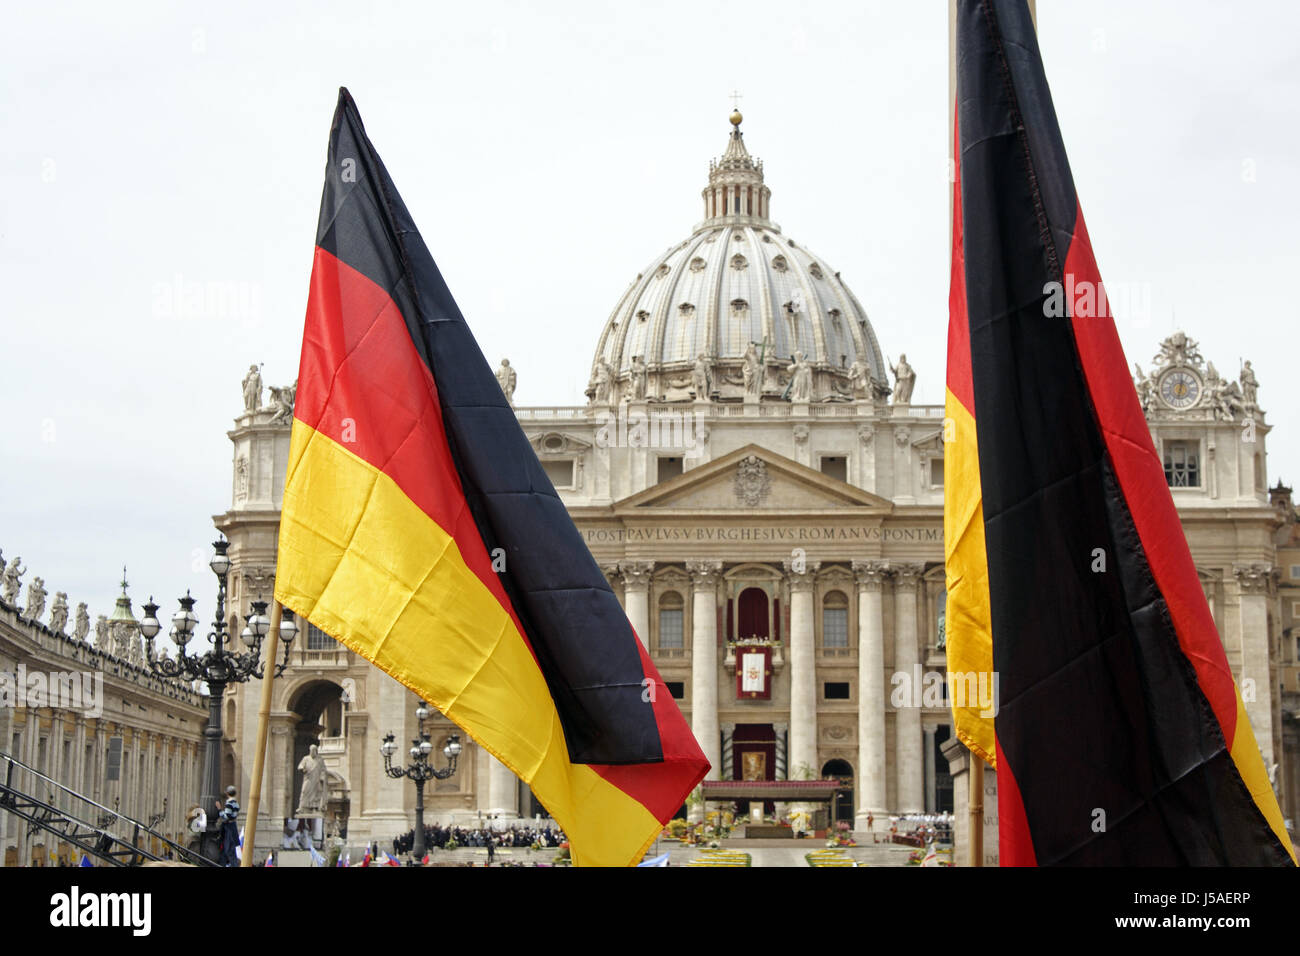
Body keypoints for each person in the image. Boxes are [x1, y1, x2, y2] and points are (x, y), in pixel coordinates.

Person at [217, 785, 240, 867]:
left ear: (227, 793)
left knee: (229, 849)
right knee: (228, 849)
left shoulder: (229, 802)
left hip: (228, 827)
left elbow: (226, 816)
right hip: (232, 826)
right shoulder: (236, 803)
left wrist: (219, 809)